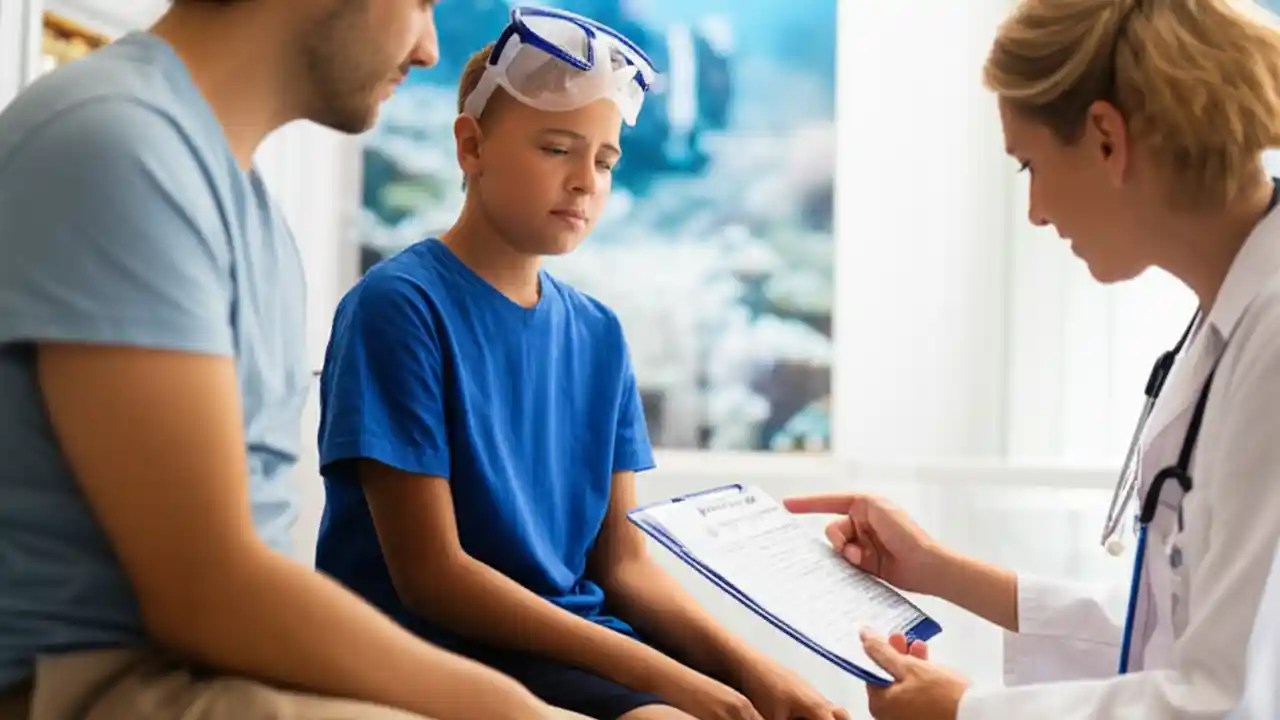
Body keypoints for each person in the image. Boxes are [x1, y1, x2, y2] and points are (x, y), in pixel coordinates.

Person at [0, 1, 576, 718]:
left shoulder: (246, 210)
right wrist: (517, 711)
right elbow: (206, 594)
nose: (429, 49)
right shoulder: (115, 146)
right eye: (422, 3)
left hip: (213, 670)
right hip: (95, 686)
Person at [314, 7, 845, 720]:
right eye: (556, 148)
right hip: (436, 654)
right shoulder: (398, 308)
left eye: (603, 160)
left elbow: (622, 567)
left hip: (572, 650)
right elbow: (434, 579)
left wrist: (755, 671)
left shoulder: (598, 334)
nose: (585, 181)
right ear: (471, 147)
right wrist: (677, 684)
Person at [786, 0, 1280, 718]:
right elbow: (1173, 631)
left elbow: (1226, 700)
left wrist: (965, 711)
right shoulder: (1232, 319)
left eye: (1031, 166)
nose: (1037, 213)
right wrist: (938, 570)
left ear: (1107, 139)